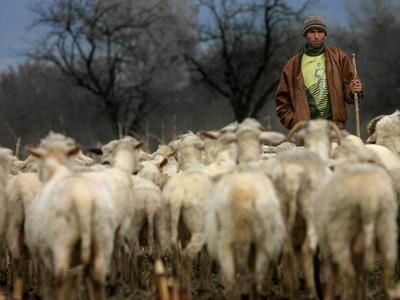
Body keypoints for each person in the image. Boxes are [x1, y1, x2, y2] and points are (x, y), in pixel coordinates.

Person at [275, 16, 362, 130]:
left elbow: (350, 94)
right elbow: (282, 103)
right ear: (305, 35)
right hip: (307, 133)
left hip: (335, 129)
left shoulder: (339, 57)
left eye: (320, 32)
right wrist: (297, 124)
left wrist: (354, 90)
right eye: (312, 32)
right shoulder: (292, 66)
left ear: (325, 35)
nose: (316, 36)